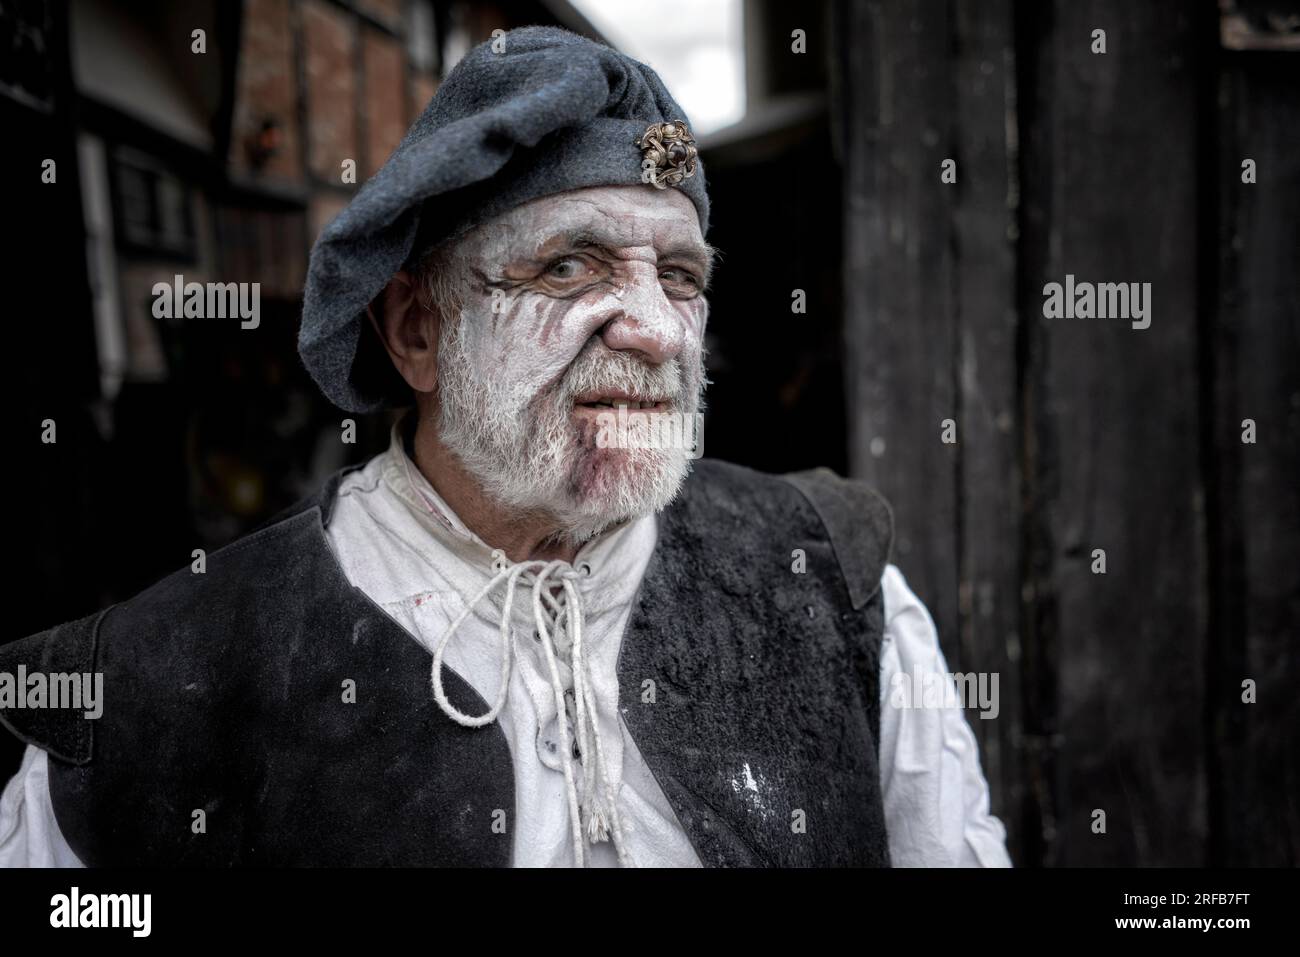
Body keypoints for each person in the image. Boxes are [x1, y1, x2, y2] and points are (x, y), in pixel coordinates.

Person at [0, 26, 1009, 868]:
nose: (656, 330)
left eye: (683, 275)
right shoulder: (147, 696)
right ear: (417, 332)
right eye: (570, 265)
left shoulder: (833, 577)